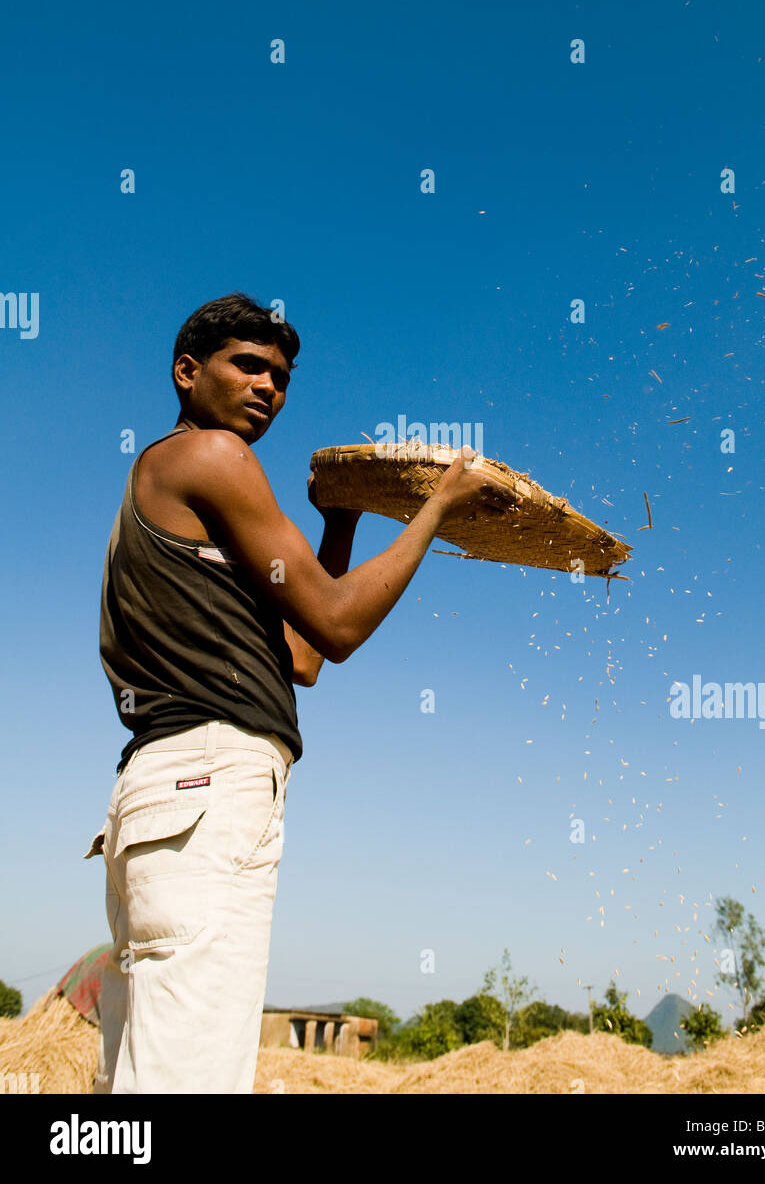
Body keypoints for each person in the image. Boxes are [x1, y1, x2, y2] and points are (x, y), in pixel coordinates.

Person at [86, 291, 516, 1094]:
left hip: (164, 798)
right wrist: (437, 509)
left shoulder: (169, 483)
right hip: (206, 789)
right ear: (187, 373)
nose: (267, 388)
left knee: (141, 1087)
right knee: (190, 1081)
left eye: (280, 378)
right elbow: (343, 627)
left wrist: (341, 523)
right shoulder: (213, 458)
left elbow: (304, 656)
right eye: (246, 366)